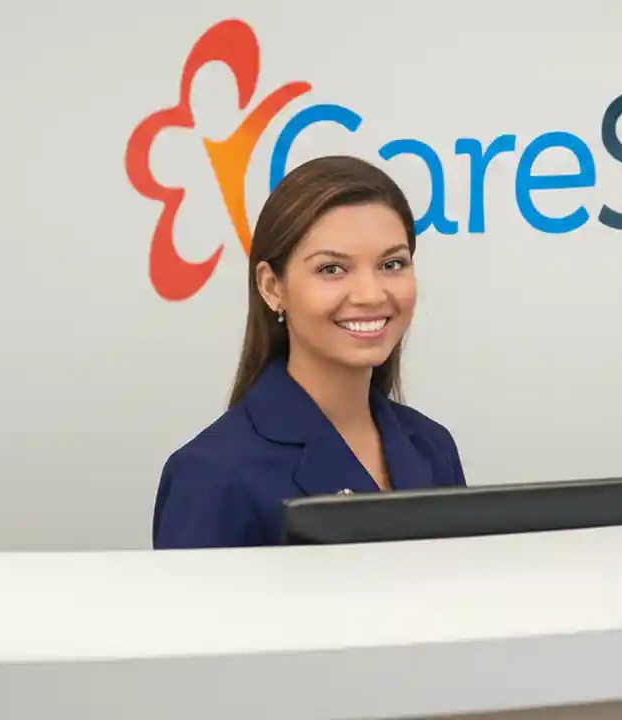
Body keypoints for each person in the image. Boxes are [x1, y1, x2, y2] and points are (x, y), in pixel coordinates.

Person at [152, 156, 467, 548]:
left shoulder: (432, 447)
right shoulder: (212, 475)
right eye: (332, 269)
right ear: (272, 287)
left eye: (392, 263)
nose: (371, 295)